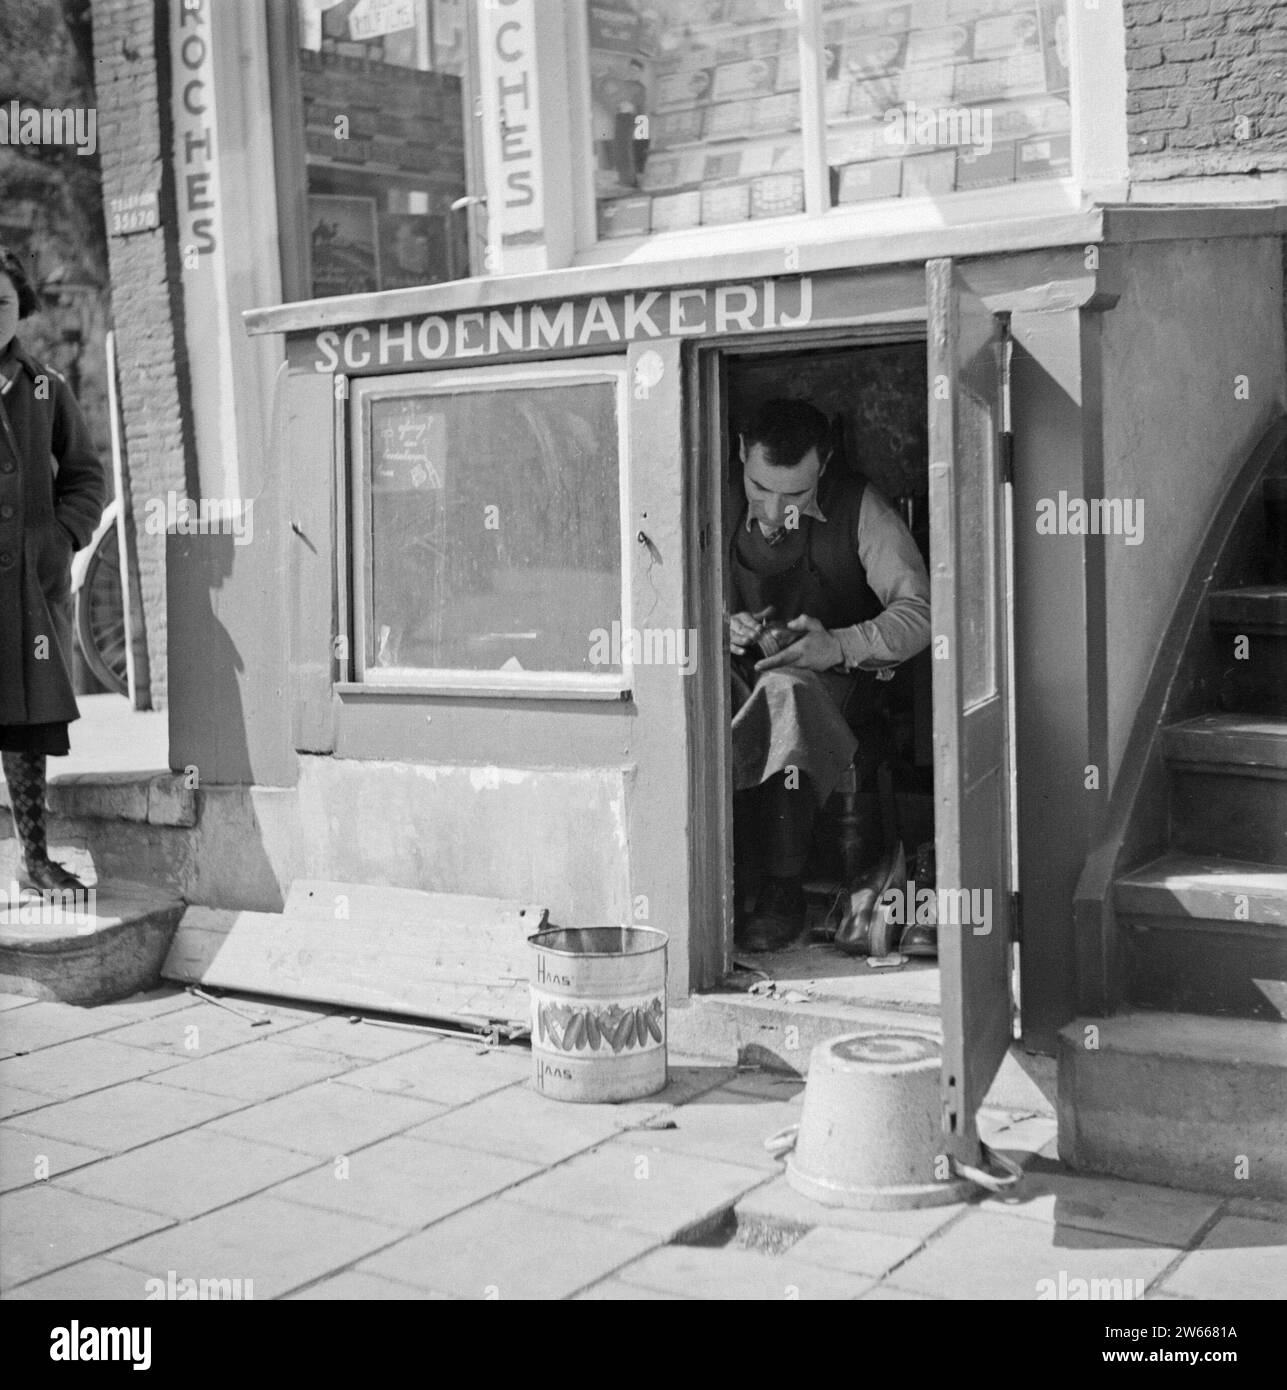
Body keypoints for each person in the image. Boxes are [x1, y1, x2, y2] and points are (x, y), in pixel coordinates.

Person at [729, 398, 930, 952]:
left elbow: (923, 614)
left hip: (836, 680)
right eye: (758, 488)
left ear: (826, 461)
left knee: (786, 696)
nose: (772, 511)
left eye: (794, 495)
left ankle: (782, 884)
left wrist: (838, 643)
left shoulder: (860, 506)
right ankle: (724, 870)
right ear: (742, 453)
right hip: (741, 669)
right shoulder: (710, 495)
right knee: (699, 691)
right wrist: (722, 623)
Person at [0, 244, 108, 895]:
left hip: (26, 594)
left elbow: (85, 478)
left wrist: (61, 538)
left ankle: (33, 859)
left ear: (21, 308)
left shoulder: (46, 388)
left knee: (25, 722)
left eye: (3, 302)